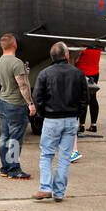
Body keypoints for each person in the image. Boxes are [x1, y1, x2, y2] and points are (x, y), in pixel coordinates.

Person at [30, 41, 85, 202]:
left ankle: (45, 188)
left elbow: (38, 97)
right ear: (66, 55)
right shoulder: (78, 73)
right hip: (70, 119)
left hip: (52, 119)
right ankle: (59, 192)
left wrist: (42, 114)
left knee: (47, 154)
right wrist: (76, 114)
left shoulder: (45, 73)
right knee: (65, 157)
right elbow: (84, 98)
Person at [0, 33, 35, 180]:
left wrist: (23, 73)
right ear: (15, 45)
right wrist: (30, 103)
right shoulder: (16, 62)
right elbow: (23, 86)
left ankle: (5, 167)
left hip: (3, 101)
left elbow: (12, 78)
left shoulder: (1, 60)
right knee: (15, 139)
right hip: (15, 105)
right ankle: (14, 169)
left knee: (4, 136)